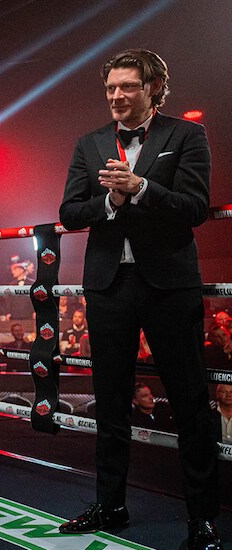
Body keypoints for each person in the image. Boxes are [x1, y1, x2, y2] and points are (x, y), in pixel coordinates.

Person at [58, 49, 220, 548]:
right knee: (110, 402)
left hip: (169, 285)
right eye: (111, 88)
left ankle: (202, 518)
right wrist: (110, 201)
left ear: (153, 88)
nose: (117, 96)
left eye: (127, 87)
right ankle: (110, 505)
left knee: (191, 402)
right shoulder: (89, 143)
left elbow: (195, 207)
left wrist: (142, 187)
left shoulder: (185, 135)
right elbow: (69, 211)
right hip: (109, 286)